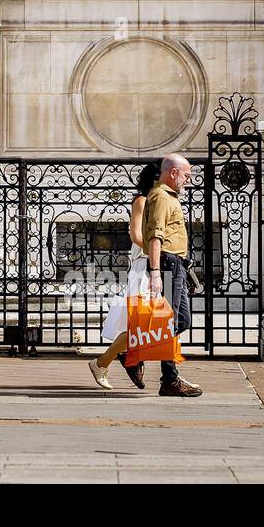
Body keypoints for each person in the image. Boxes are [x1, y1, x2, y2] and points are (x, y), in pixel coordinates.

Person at [87, 160, 158, 390]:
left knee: (150, 323)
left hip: (156, 264)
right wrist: (157, 249)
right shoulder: (142, 200)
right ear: (155, 179)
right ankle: (105, 361)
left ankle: (128, 360)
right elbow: (136, 235)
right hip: (143, 265)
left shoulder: (162, 201)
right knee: (139, 324)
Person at [144, 154, 202, 396]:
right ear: (173, 173)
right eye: (187, 175)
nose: (188, 180)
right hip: (167, 264)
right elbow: (155, 236)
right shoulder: (160, 197)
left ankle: (138, 350)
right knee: (169, 323)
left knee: (181, 321)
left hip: (176, 265)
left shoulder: (169, 197)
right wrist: (156, 273)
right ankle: (169, 379)